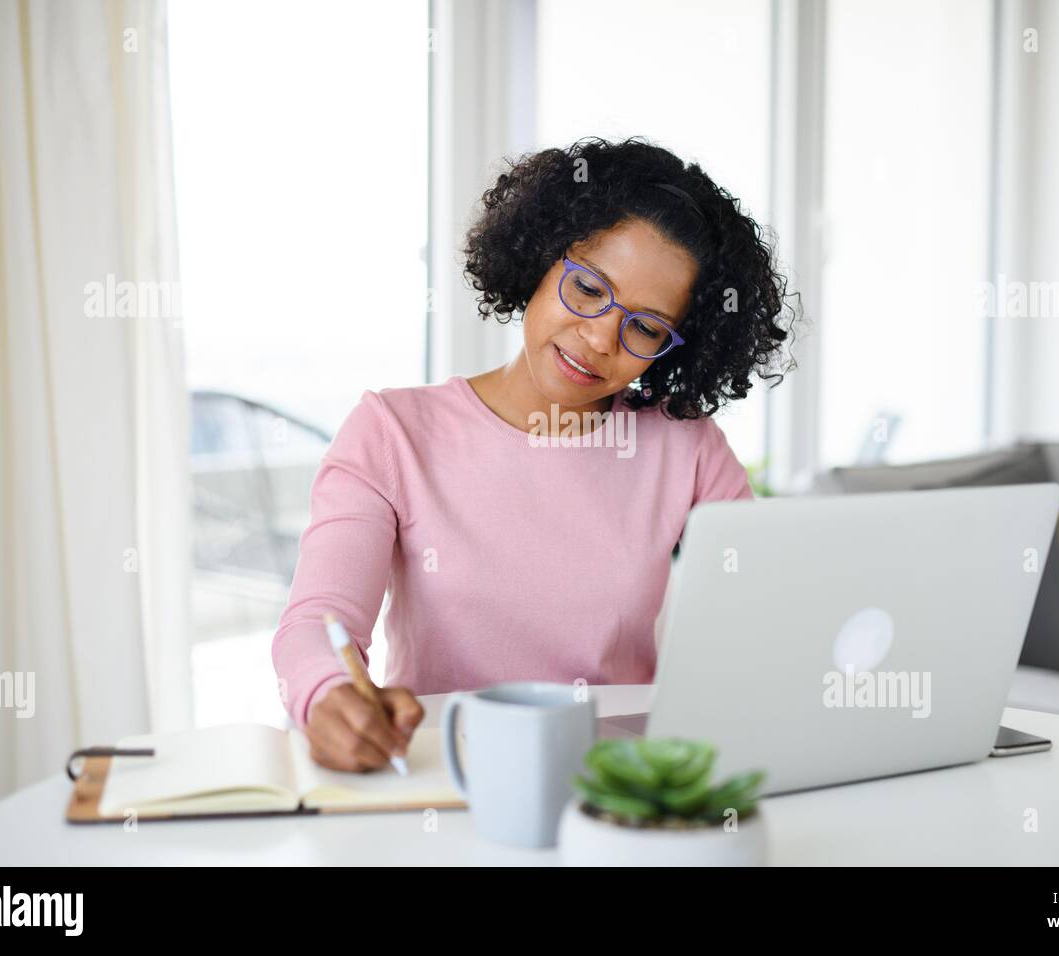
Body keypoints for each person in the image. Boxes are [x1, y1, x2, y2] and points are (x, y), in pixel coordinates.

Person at [272, 136, 797, 771]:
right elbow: (318, 622)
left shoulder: (687, 450)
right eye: (587, 288)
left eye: (648, 328)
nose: (601, 337)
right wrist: (327, 694)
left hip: (622, 788)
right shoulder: (392, 432)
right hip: (446, 775)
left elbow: (763, 617)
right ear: (542, 261)